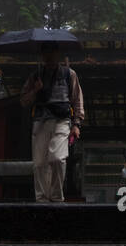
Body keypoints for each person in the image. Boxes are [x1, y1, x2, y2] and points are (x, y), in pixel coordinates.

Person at [19, 43, 85, 202]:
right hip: (40, 121)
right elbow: (23, 101)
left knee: (57, 158)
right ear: (42, 55)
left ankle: (56, 197)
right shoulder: (36, 76)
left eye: (52, 53)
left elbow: (77, 99)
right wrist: (36, 90)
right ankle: (41, 199)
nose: (49, 57)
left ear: (58, 54)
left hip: (61, 121)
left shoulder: (69, 74)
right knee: (39, 163)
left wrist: (77, 123)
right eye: (46, 53)